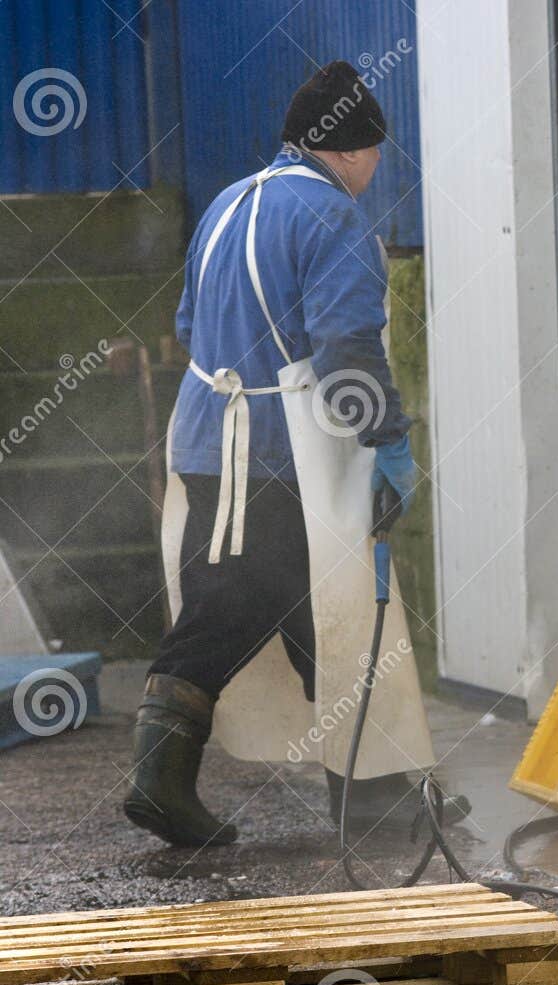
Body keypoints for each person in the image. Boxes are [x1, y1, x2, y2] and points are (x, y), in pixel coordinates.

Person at [125, 62, 468, 848]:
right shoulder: (332, 217)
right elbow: (347, 349)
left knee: (315, 607)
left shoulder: (227, 204)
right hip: (275, 456)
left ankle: (372, 790)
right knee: (232, 606)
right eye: (374, 151)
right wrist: (389, 440)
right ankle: (157, 779)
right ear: (347, 150)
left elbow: (188, 325)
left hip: (207, 437)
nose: (376, 165)